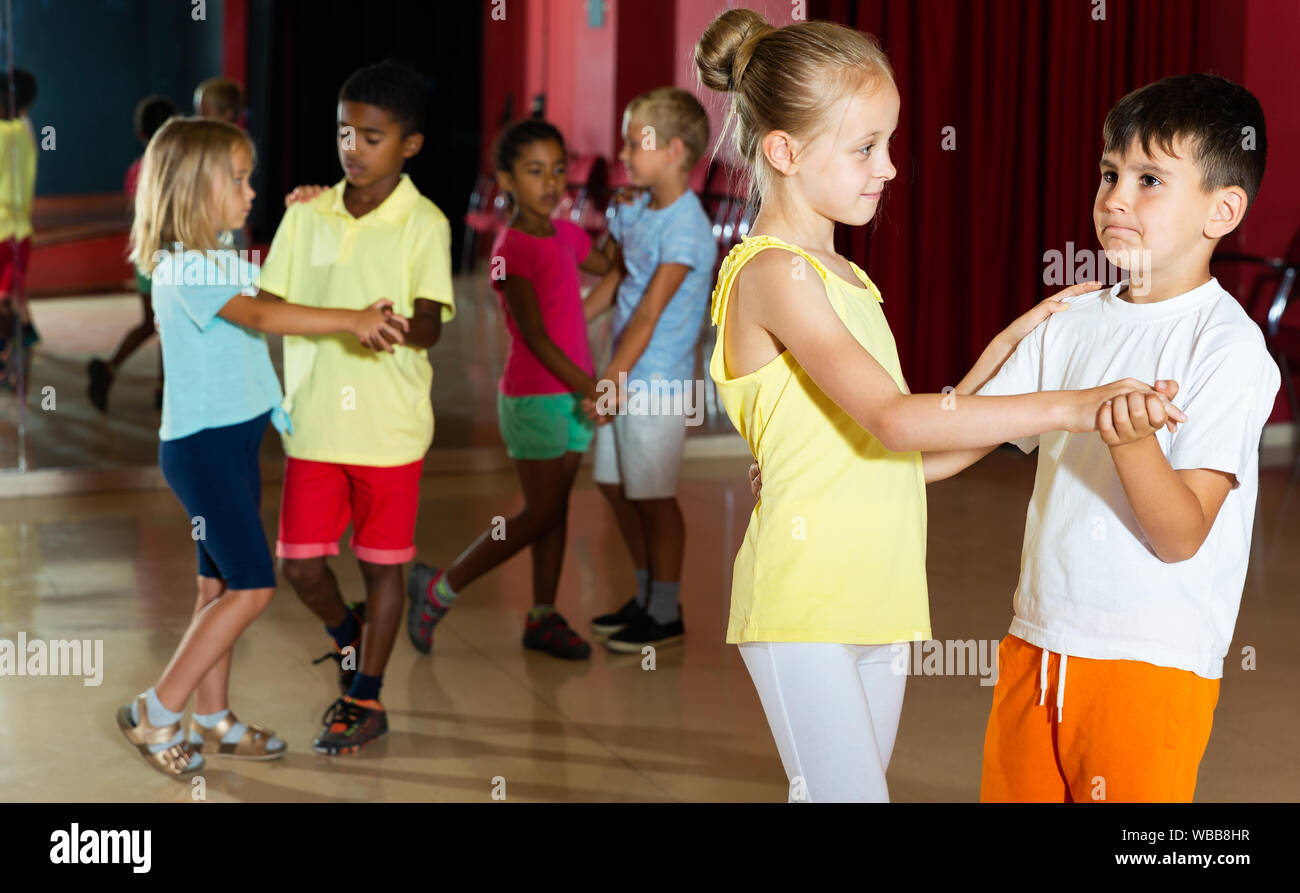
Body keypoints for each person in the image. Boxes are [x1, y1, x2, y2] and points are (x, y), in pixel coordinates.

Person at [695, 8, 1177, 802]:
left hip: (883, 601)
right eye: (864, 148)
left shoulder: (851, 282)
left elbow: (916, 456)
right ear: (783, 151)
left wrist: (1006, 349)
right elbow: (895, 416)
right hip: (802, 599)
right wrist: (1070, 406)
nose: (888, 168)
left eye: (888, 143)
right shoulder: (774, 274)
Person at [974, 74, 1281, 802]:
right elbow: (958, 432)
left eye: (1149, 179)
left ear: (1223, 209)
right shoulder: (1073, 318)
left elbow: (1180, 534)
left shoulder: (1228, 348)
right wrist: (833, 470)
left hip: (1151, 664)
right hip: (1036, 640)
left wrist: (1132, 442)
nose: (1115, 197)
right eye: (1110, 174)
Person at [114, 116, 406, 777]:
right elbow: (267, 315)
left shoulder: (213, 252)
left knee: (216, 584)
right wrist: (352, 321)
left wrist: (302, 221)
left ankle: (213, 718)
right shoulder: (187, 268)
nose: (252, 192)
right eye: (239, 180)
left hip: (233, 442)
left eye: (252, 179)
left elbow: (266, 288)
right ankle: (156, 711)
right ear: (192, 189)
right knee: (252, 585)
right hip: (205, 452)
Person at [260, 60, 454, 755]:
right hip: (312, 423)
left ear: (410, 144)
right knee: (301, 566)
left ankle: (364, 695)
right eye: (345, 132)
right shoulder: (307, 212)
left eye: (372, 136)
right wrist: (343, 319)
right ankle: (349, 635)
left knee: (383, 568)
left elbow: (432, 320)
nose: (353, 147)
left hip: (389, 431)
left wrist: (394, 325)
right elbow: (271, 307)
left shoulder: (423, 222)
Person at [405, 119, 614, 660]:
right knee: (538, 513)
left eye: (558, 171)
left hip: (572, 397)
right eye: (534, 171)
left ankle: (543, 615)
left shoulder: (567, 234)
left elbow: (611, 269)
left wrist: (626, 236)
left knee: (556, 508)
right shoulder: (509, 249)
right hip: (536, 396)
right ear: (506, 179)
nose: (550, 183)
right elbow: (536, 338)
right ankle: (439, 588)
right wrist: (591, 388)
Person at [580, 86, 717, 653]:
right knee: (617, 489)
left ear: (675, 151)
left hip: (656, 384)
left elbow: (649, 313)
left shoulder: (687, 227)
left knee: (654, 498)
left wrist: (612, 379)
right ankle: (643, 600)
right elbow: (616, 278)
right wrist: (571, 319)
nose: (625, 155)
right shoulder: (635, 209)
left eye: (637, 144)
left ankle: (665, 613)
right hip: (627, 374)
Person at [88, 94, 176, 412]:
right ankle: (161, 390)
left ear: (140, 133)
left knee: (154, 322)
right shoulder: (175, 170)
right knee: (167, 324)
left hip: (145, 255)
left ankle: (113, 371)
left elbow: (137, 216)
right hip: (170, 257)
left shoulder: (136, 170)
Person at [0, 68, 39, 396]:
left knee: (7, 301)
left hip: (5, 232)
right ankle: (21, 346)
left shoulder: (7, 133)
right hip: (20, 232)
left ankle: (21, 345)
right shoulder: (25, 129)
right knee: (13, 298)